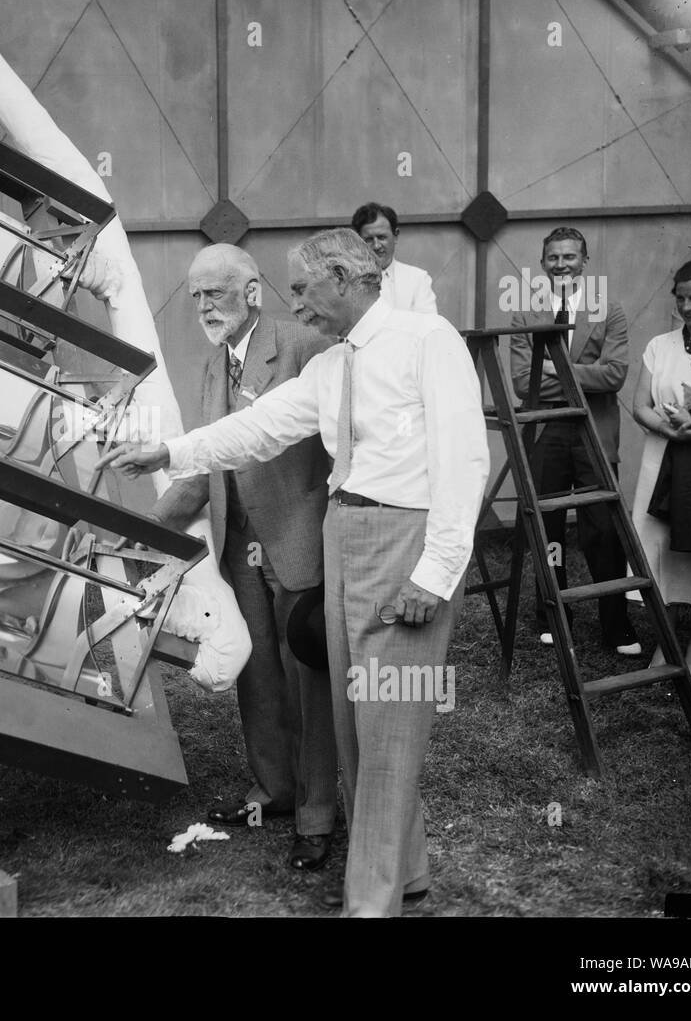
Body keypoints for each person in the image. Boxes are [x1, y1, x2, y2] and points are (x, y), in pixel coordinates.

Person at [97, 229, 489, 916]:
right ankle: (411, 872)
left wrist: (437, 572)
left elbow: (465, 461)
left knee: (390, 723)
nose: (296, 303)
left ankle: (371, 903)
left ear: (342, 277)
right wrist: (168, 450)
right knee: (355, 722)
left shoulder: (430, 341)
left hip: (404, 537)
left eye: (303, 287)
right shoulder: (332, 366)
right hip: (343, 534)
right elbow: (260, 429)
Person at [148, 243, 339, 871]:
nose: (202, 306)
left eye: (215, 293)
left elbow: (341, 441)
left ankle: (317, 814)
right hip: (237, 544)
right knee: (256, 672)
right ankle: (274, 791)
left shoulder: (303, 346)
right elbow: (207, 462)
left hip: (298, 539)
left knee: (306, 678)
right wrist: (146, 529)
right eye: (196, 295)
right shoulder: (212, 365)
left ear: (252, 291)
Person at [509, 227, 640, 656]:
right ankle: (552, 615)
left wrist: (552, 369)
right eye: (553, 257)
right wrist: (579, 377)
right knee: (548, 529)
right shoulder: (526, 313)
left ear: (585, 261)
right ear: (543, 262)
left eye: (570, 257)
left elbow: (614, 375)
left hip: (594, 433)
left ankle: (615, 624)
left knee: (602, 529)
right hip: (547, 429)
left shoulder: (611, 310)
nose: (561, 264)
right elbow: (520, 385)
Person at [629, 258, 691, 681]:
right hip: (660, 460)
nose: (686, 306)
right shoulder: (659, 346)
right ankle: (665, 640)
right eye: (680, 298)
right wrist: (670, 429)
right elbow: (639, 405)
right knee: (658, 549)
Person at [351, 201, 437, 314]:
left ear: (395, 236)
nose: (376, 246)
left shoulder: (418, 279)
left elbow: (427, 324)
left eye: (381, 237)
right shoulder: (349, 282)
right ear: (358, 241)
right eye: (369, 240)